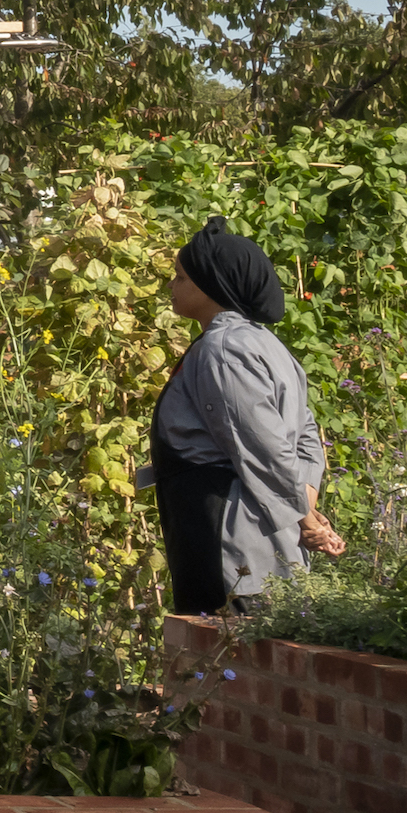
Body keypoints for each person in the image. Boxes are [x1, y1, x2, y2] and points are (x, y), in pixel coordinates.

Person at [149, 217, 343, 613]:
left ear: (212, 286)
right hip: (268, 532)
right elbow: (306, 432)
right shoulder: (264, 343)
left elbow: (258, 446)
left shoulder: (222, 350)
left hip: (231, 537)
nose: (171, 285)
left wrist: (305, 521)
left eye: (181, 277)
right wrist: (305, 500)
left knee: (226, 659)